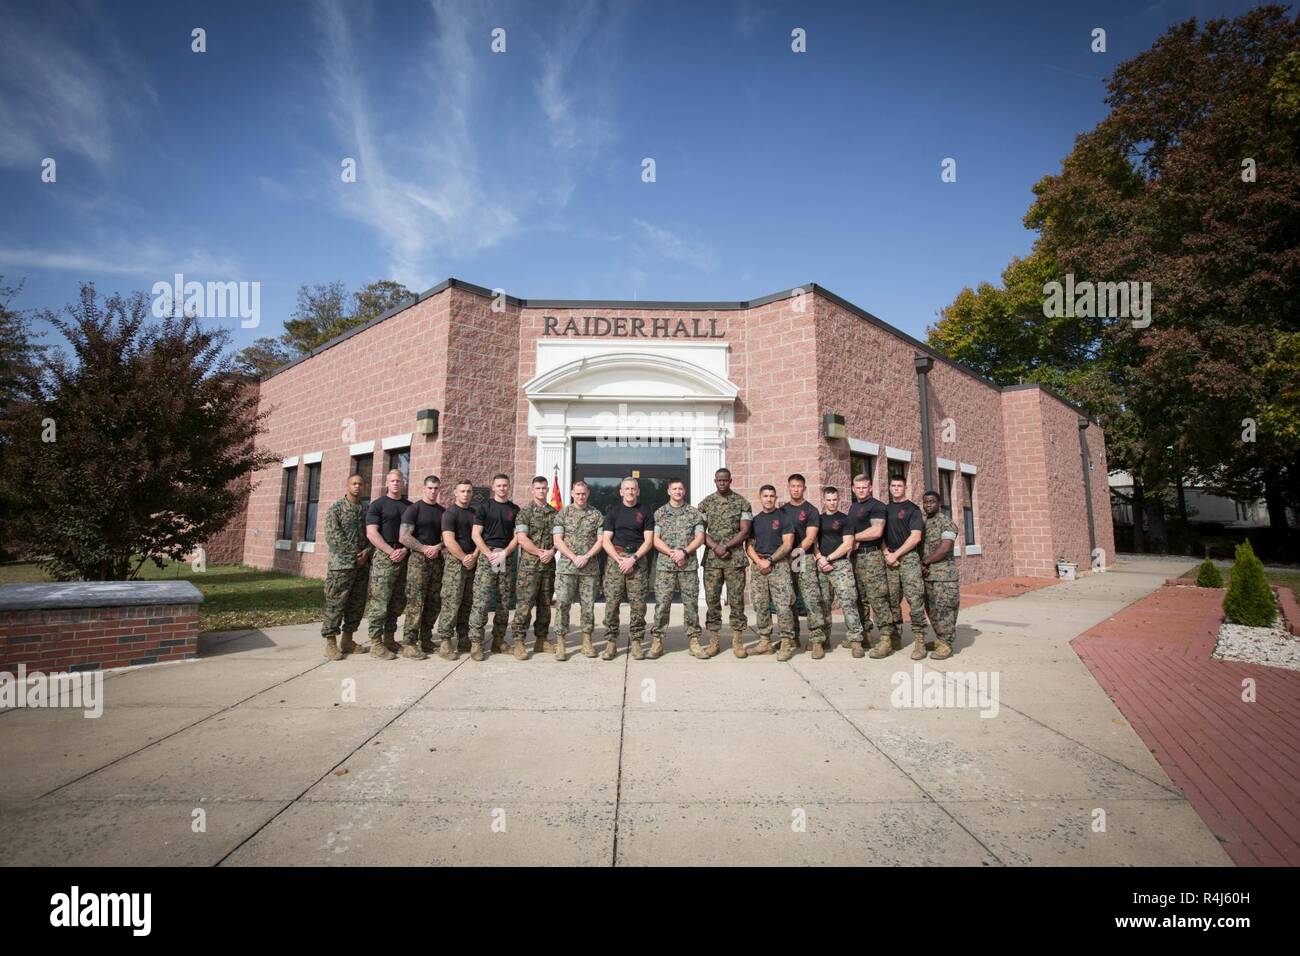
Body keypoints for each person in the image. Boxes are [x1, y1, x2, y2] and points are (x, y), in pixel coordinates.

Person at [698, 468, 753, 658]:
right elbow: (700, 531)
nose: (722, 483)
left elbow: (745, 530)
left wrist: (726, 546)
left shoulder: (742, 503)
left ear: (731, 480)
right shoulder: (706, 504)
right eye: (719, 480)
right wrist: (715, 547)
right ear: (715, 481)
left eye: (725, 480)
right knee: (712, 600)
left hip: (734, 559)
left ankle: (737, 642)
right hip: (713, 561)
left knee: (737, 601)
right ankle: (714, 642)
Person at [600, 477, 655, 660]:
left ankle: (637, 642)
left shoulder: (645, 511)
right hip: (616, 561)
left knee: (638, 604)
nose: (630, 492)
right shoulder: (613, 512)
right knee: (612, 603)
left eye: (633, 489)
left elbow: (648, 540)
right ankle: (611, 643)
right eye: (627, 488)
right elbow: (606, 540)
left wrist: (633, 559)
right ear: (621, 492)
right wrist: (618, 559)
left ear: (638, 491)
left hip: (637, 561)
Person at [651, 478, 706, 660]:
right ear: (668, 491)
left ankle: (694, 641)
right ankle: (657, 640)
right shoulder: (660, 513)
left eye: (681, 488)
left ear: (684, 491)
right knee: (662, 604)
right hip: (666, 566)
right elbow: (655, 539)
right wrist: (672, 553)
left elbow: (699, 537)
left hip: (688, 566)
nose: (678, 491)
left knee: (690, 605)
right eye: (674, 488)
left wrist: (684, 552)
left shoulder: (694, 514)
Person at [467, 474, 520, 661]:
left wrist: (505, 552)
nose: (502, 488)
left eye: (505, 485)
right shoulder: (483, 507)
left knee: (504, 602)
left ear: (509, 487)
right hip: (487, 557)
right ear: (493, 487)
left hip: (506, 557)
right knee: (481, 601)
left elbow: (517, 536)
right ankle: (476, 642)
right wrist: (489, 554)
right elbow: (476, 534)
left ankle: (498, 641)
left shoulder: (515, 510)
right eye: (499, 485)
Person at [550, 480, 605, 660]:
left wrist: (586, 556)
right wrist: (574, 557)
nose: (581, 496)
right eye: (578, 493)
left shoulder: (596, 514)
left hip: (589, 569)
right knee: (563, 604)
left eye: (584, 493)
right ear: (572, 493)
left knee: (587, 606)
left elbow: (601, 540)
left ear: (588, 493)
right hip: (567, 568)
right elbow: (558, 540)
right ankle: (561, 643)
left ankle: (587, 642)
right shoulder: (562, 514)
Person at [321, 473, 372, 660]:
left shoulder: (367, 510)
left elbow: (372, 535)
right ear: (347, 486)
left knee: (357, 604)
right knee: (335, 604)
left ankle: (348, 640)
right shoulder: (336, 509)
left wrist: (366, 552)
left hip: (362, 566)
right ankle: (330, 643)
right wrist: (354, 555)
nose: (357, 486)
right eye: (354, 483)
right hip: (341, 567)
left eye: (360, 483)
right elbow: (333, 537)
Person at [846, 473, 896, 659]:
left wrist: (853, 538)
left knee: (878, 598)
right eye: (857, 487)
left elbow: (876, 531)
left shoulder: (877, 506)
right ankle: (865, 634)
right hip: (856, 559)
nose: (861, 490)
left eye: (864, 487)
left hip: (871, 557)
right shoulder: (853, 507)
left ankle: (886, 639)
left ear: (870, 488)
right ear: (853, 488)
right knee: (859, 598)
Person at [745, 485, 797, 661]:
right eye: (765, 496)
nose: (768, 499)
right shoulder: (755, 520)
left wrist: (771, 560)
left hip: (778, 565)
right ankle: (765, 641)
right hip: (759, 566)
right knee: (760, 605)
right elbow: (749, 546)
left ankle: (785, 643)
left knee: (783, 605)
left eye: (772, 496)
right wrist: (759, 561)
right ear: (760, 497)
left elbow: (788, 544)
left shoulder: (784, 517)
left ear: (776, 498)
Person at [509, 476, 558, 660]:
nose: (541, 491)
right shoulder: (524, 513)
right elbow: (522, 538)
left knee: (545, 604)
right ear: (532, 490)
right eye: (538, 488)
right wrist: (540, 553)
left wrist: (552, 551)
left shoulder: (554, 514)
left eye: (544, 488)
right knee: (524, 605)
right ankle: (519, 641)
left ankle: (541, 639)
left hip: (548, 566)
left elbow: (558, 538)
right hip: (529, 567)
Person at [364, 469, 411, 660]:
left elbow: (413, 533)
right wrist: (390, 551)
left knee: (397, 601)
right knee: (380, 602)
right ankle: (376, 642)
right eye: (392, 481)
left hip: (404, 555)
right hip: (385, 557)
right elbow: (371, 533)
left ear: (403, 483)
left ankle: (389, 638)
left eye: (399, 480)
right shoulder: (377, 505)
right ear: (387, 483)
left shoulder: (410, 506)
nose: (396, 483)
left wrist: (405, 550)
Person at [814, 486, 865, 659]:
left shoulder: (846, 519)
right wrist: (820, 558)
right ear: (824, 500)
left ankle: (856, 640)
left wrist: (829, 559)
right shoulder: (818, 519)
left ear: (839, 499)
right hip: (821, 565)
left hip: (841, 565)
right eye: (828, 500)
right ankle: (824, 640)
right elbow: (813, 541)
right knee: (823, 603)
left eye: (834, 499)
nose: (832, 502)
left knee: (848, 602)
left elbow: (847, 544)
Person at [883, 476, 930, 660]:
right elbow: (880, 534)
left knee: (915, 599)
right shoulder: (885, 509)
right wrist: (887, 553)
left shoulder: (913, 509)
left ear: (905, 487)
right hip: (890, 559)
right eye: (893, 486)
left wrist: (897, 554)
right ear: (889, 487)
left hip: (909, 558)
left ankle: (920, 641)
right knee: (892, 600)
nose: (896, 488)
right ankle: (895, 637)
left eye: (899, 486)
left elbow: (915, 537)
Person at [398, 475, 445, 659]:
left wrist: (437, 547)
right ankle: (409, 643)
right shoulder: (413, 509)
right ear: (424, 488)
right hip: (418, 561)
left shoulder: (443, 512)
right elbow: (404, 537)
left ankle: (426, 639)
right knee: (415, 602)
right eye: (430, 488)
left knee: (434, 602)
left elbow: (446, 537)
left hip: (436, 561)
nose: (433, 492)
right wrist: (424, 548)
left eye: (436, 488)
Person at [435, 479, 478, 660]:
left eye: (468, 491)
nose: (466, 494)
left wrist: (474, 556)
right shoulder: (449, 514)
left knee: (468, 602)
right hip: (455, 563)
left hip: (473, 561)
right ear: (455, 493)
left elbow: (479, 537)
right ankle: (445, 641)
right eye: (462, 491)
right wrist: (464, 558)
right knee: (451, 601)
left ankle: (463, 637)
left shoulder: (476, 513)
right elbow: (448, 540)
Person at [783, 473, 825, 654]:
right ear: (789, 487)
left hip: (803, 557)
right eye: (793, 486)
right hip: (785, 559)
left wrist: (795, 554)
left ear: (804, 488)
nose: (796, 489)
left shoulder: (811, 510)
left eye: (799, 486)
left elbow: (810, 538)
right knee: (789, 599)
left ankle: (817, 640)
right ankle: (793, 638)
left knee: (811, 599)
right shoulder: (782, 510)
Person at [920, 490, 961, 660]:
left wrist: (926, 562)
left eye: (932, 502)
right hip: (928, 575)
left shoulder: (947, 523)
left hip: (944, 576)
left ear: (939, 503)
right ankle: (939, 639)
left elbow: (945, 547)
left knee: (945, 609)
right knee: (932, 610)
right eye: (926, 502)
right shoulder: (923, 522)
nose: (928, 504)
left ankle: (946, 644)